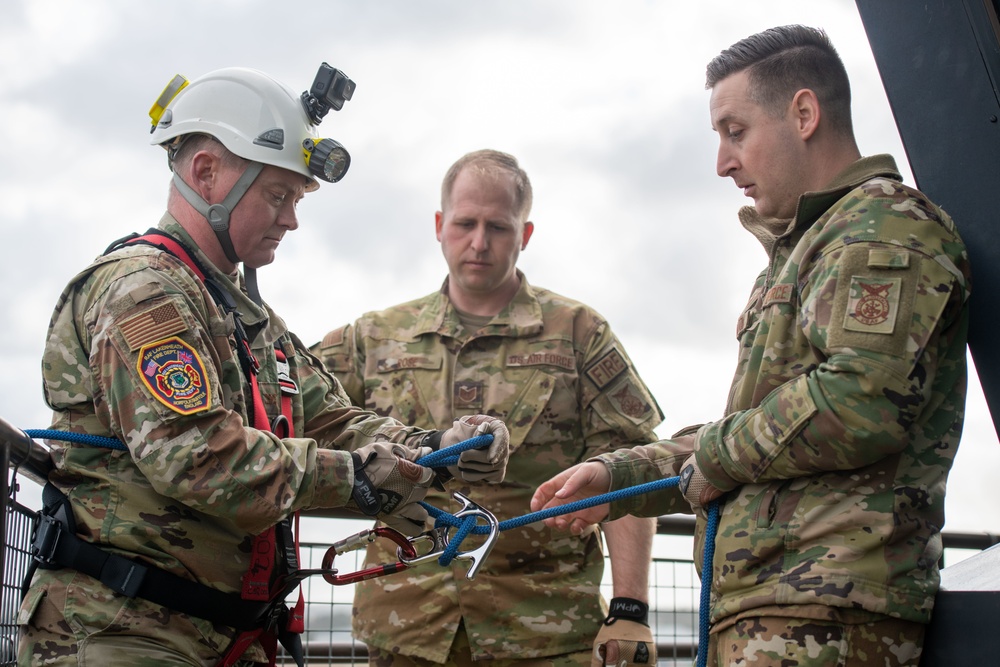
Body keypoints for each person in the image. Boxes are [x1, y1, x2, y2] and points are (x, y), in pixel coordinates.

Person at [18, 66, 511, 667]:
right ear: (206, 172)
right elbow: (197, 456)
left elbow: (330, 420)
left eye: (295, 199)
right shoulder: (143, 294)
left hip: (224, 636)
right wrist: (354, 476)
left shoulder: (245, 315)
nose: (292, 219)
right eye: (277, 196)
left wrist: (437, 448)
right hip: (125, 632)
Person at [531, 25, 971, 667]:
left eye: (735, 132)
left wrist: (712, 452)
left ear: (803, 113)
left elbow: (857, 403)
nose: (722, 162)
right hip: (776, 609)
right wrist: (616, 478)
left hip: (825, 616)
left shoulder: (885, 227)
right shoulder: (811, 247)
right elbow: (754, 434)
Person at [313, 149, 664, 667]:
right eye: (465, 224)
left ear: (524, 234)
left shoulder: (578, 333)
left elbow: (627, 466)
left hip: (543, 626)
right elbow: (302, 422)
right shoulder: (371, 339)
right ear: (439, 225)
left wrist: (630, 606)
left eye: (498, 227)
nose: (479, 243)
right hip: (406, 627)